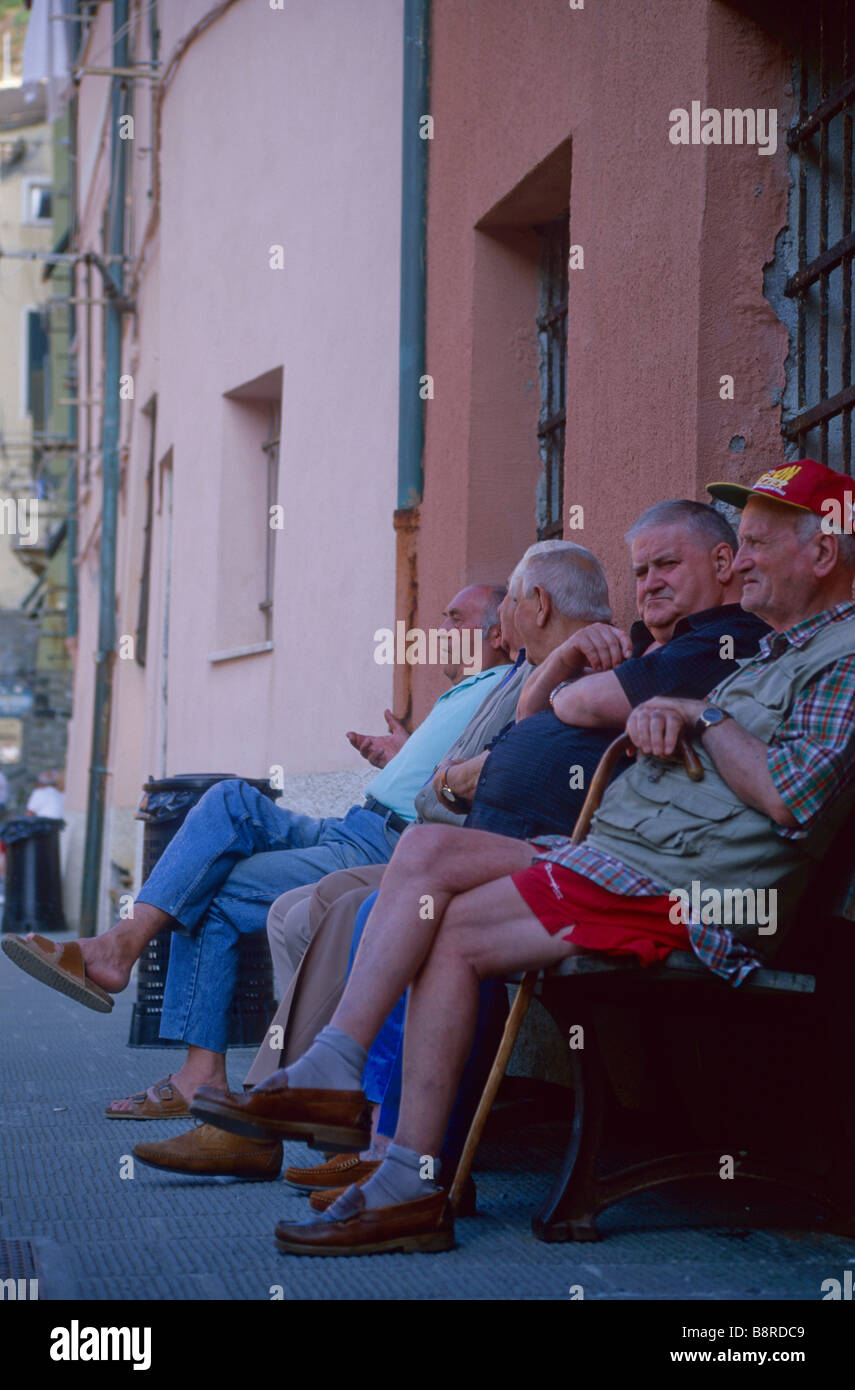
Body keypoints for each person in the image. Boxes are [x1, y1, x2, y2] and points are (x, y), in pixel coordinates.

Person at [191, 460, 855, 1256]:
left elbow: (789, 796)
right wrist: (673, 717)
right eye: (735, 543)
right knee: (431, 856)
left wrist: (698, 714)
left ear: (821, 556)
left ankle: (408, 1179)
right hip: (624, 859)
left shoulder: (839, 655)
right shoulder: (779, 649)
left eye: (753, 544)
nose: (738, 559)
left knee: (454, 927)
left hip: (691, 892)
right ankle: (356, 1096)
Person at [137, 500, 768, 1183]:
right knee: (350, 899)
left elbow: (565, 720)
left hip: (570, 853)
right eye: (640, 569)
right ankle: (342, 1114)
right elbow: (518, 732)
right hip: (489, 839)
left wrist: (553, 689)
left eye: (664, 566)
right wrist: (554, 671)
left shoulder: (712, 642)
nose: (646, 583)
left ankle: (367, 1133)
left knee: (380, 907)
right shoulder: (640, 648)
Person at [1, 584, 512, 1118]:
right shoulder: (463, 692)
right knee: (229, 799)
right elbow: (438, 772)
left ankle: (178, 1042)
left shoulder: (505, 688)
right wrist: (402, 755)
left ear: (497, 635)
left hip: (386, 846)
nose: (441, 632)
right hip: (352, 824)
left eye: (456, 620)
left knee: (211, 889)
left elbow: (470, 785)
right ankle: (120, 952)